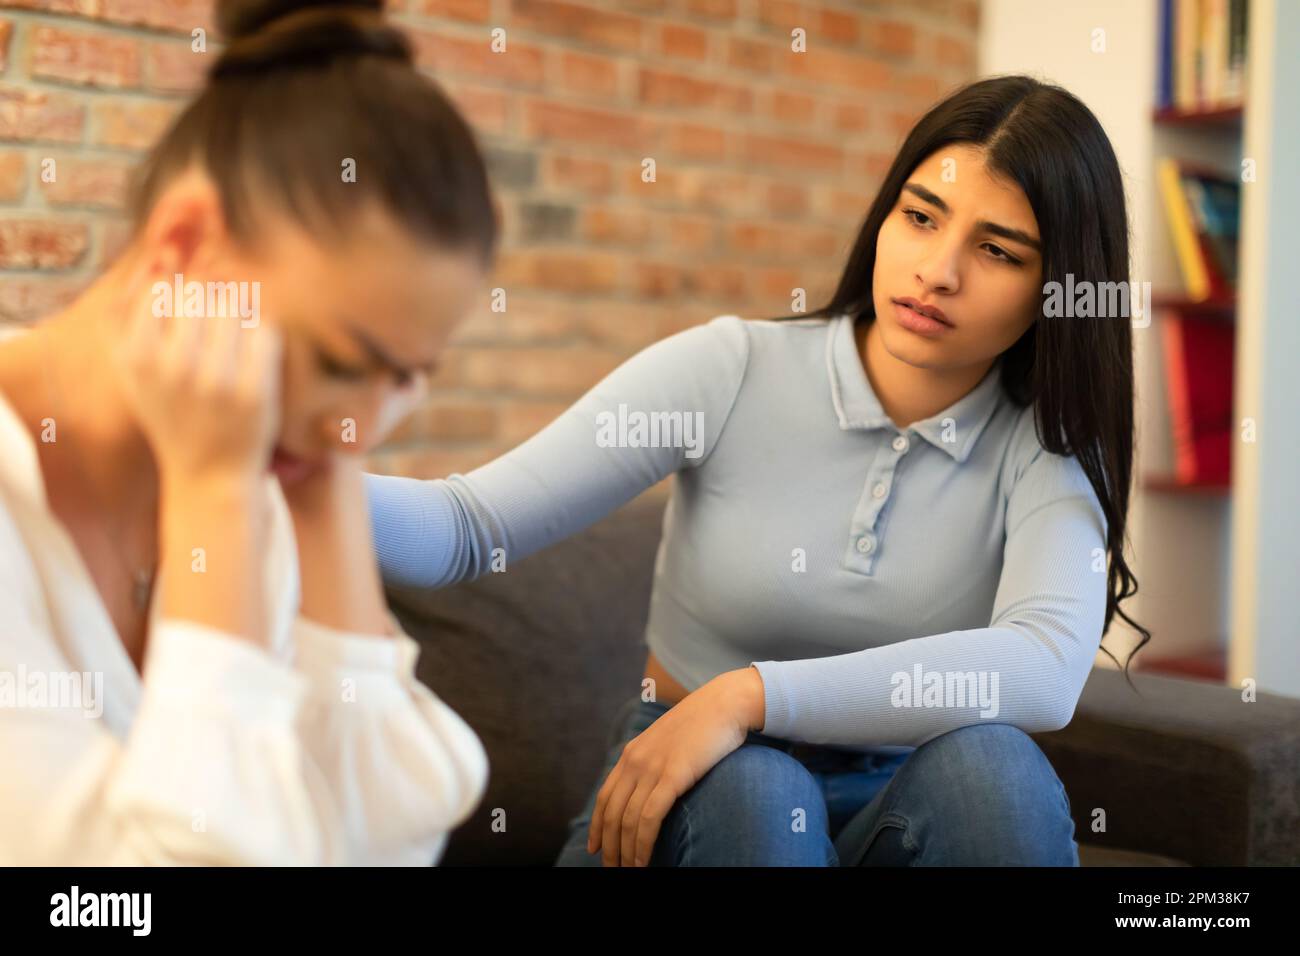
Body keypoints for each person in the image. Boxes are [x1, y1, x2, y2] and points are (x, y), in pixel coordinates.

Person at [365, 74, 1152, 866]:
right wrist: (265, 464)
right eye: (919, 217)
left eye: (996, 250)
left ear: (1055, 288)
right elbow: (464, 529)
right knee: (757, 789)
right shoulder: (730, 370)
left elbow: (1045, 671)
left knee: (996, 770)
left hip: (890, 805)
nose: (938, 271)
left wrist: (750, 696)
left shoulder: (1046, 446)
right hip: (692, 798)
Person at [0, 0, 498, 864]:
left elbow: (381, 848)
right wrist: (214, 499)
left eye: (407, 377)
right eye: (343, 362)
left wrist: (317, 489)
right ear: (186, 244)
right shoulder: (225, 491)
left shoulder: (263, 486)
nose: (361, 431)